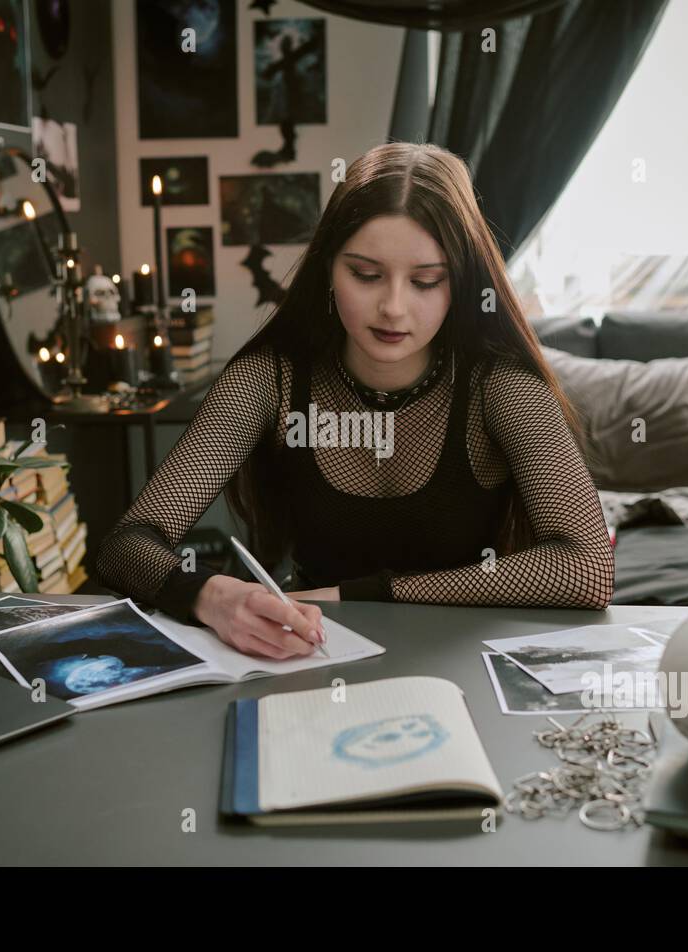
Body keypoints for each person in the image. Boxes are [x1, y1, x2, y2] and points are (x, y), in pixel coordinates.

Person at [95, 142, 614, 660]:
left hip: (466, 662)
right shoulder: (270, 378)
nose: (393, 307)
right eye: (366, 275)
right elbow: (126, 545)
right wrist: (211, 595)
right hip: (312, 654)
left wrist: (363, 594)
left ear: (460, 284)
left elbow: (586, 569)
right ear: (328, 268)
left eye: (426, 281)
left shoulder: (500, 385)